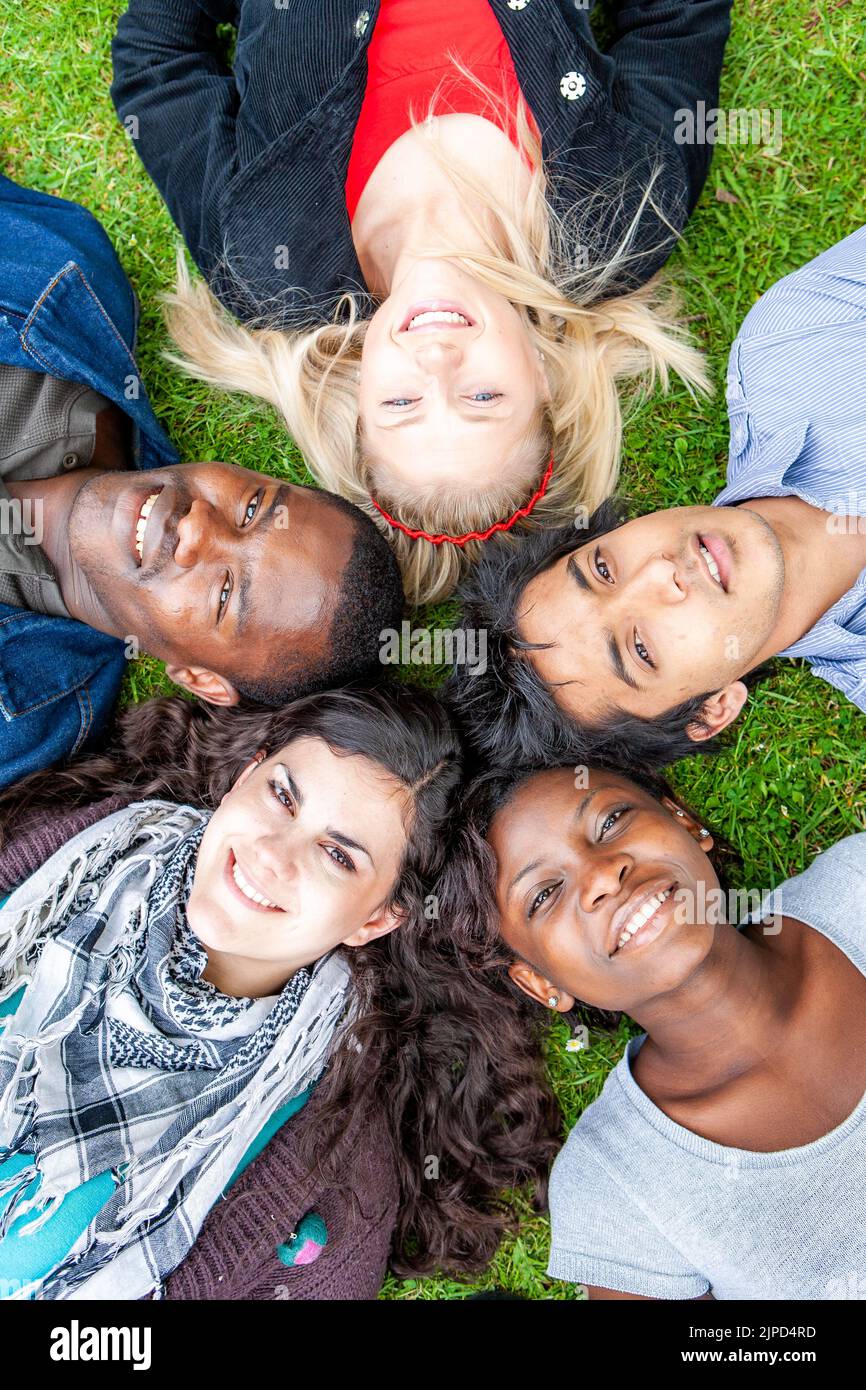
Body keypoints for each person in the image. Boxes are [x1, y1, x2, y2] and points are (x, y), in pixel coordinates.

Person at [110, 0, 727, 602]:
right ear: (542, 376)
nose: (436, 360)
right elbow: (675, 17)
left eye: (401, 403)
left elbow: (157, 65)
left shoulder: (268, 259)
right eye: (482, 398)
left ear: (361, 392)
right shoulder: (623, 216)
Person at [0, 686, 559, 1300]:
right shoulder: (73, 852)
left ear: (374, 920)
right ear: (247, 775)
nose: (272, 854)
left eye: (338, 856)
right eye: (283, 796)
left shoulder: (332, 1183)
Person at [0, 174, 405, 790]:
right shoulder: (61, 285)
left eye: (223, 595)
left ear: (199, 679)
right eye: (251, 508)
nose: (196, 528)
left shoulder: (22, 725)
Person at [441, 760, 866, 1300]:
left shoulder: (858, 883)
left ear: (684, 821)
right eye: (544, 895)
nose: (602, 876)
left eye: (611, 821)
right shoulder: (618, 1184)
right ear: (541, 983)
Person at [448, 226, 866, 767]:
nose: (658, 574)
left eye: (602, 569)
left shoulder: (797, 347)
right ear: (711, 711)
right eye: (640, 649)